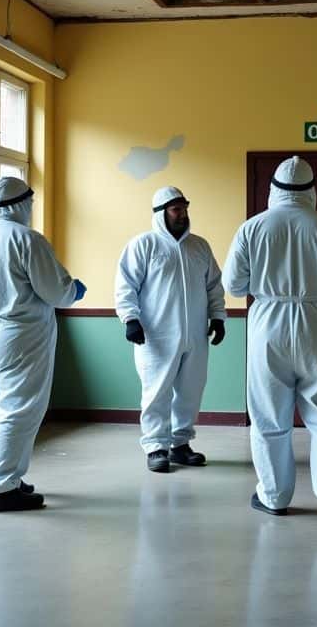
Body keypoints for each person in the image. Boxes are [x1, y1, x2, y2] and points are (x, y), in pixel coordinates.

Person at [223, 156, 317, 523]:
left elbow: (233, 284)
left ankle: (275, 496)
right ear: (312, 191)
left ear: (273, 189)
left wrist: (267, 285)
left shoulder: (252, 228)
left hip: (268, 320)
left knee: (269, 414)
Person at [0, 176, 87, 512]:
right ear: (24, 203)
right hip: (20, 334)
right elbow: (55, 291)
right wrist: (74, 290)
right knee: (20, 411)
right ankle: (0, 488)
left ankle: (6, 474)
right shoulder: (28, 240)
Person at [115, 186, 227, 473]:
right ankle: (155, 447)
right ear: (160, 213)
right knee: (156, 392)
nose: (183, 214)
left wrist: (218, 317)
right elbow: (125, 285)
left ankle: (179, 444)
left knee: (191, 391)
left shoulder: (199, 247)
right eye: (176, 209)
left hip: (195, 335)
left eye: (185, 208)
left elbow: (214, 284)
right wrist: (130, 319)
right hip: (156, 336)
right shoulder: (144, 245)